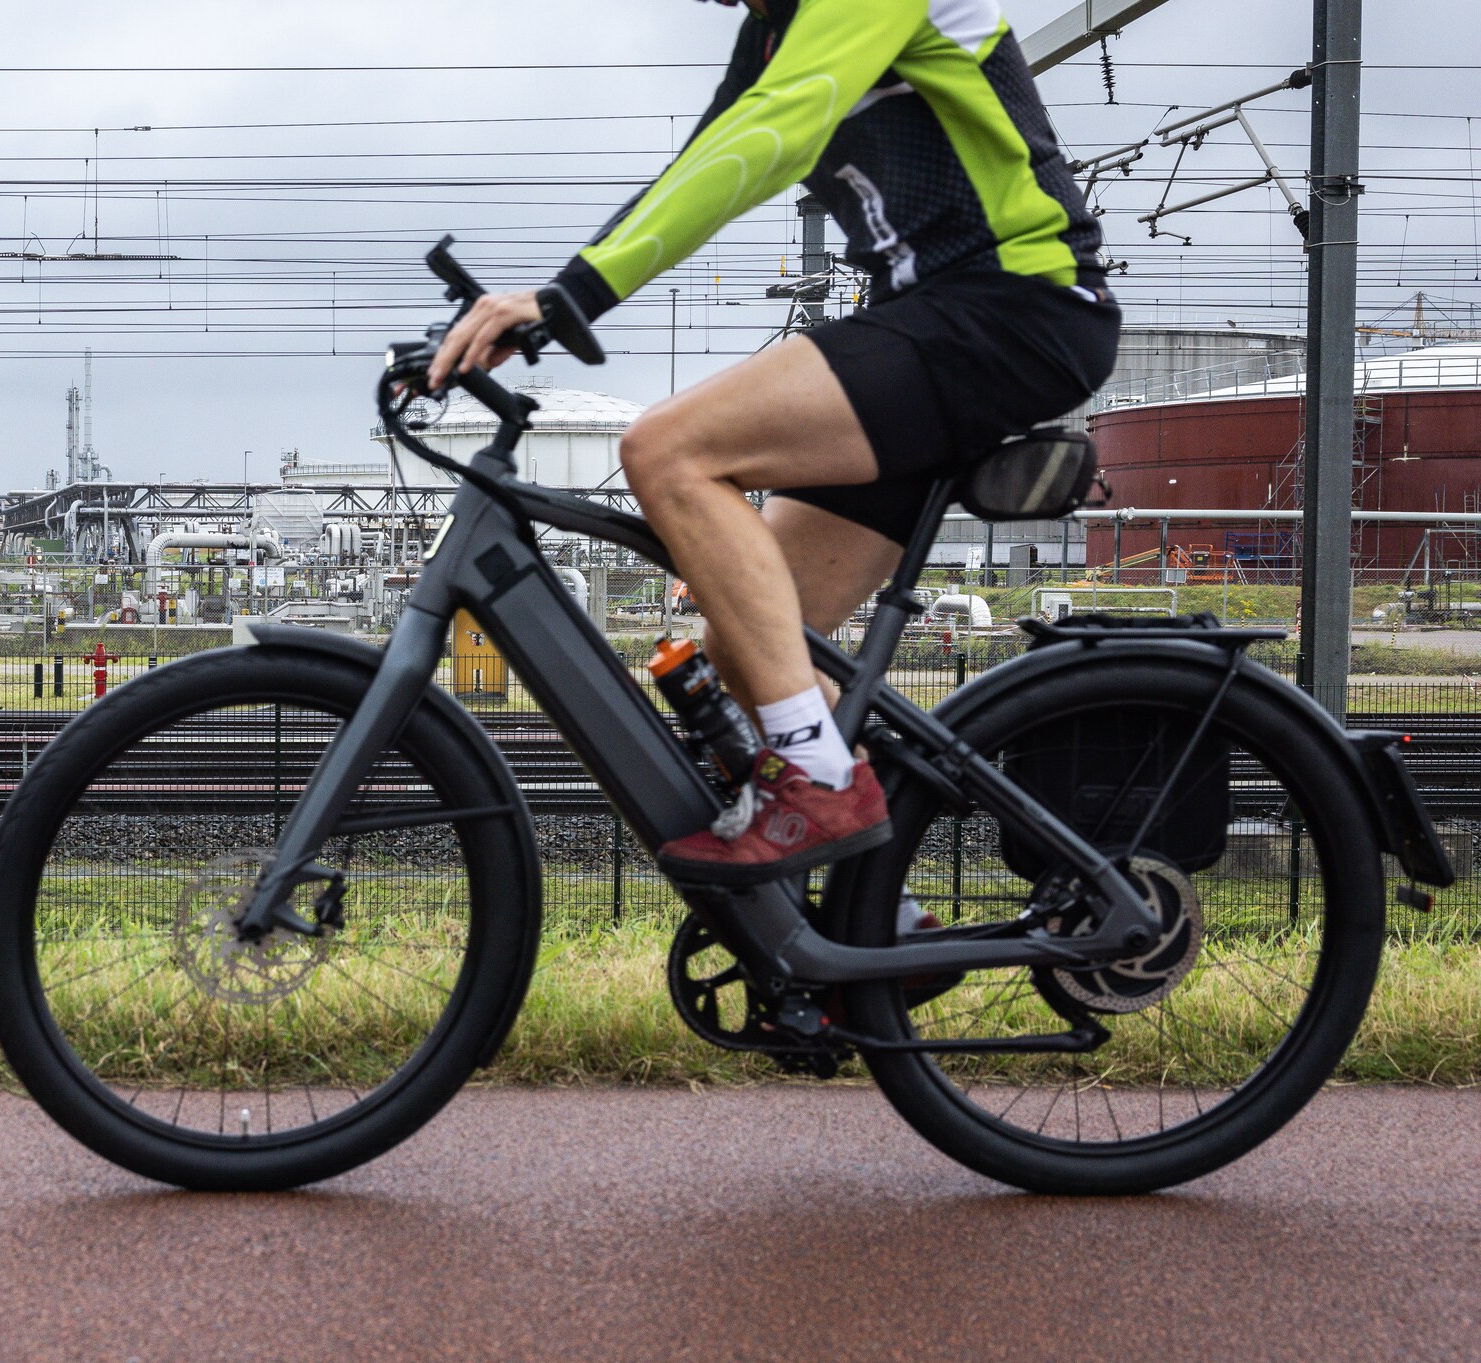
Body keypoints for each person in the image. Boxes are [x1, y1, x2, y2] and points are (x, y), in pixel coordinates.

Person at [431, 0, 1119, 885]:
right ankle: (866, 930)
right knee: (750, 649)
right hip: (936, 319)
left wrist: (571, 296)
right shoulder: (770, 30)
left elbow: (770, 130)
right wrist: (548, 304)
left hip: (1014, 305)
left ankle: (818, 778)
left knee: (667, 449)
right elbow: (706, 155)